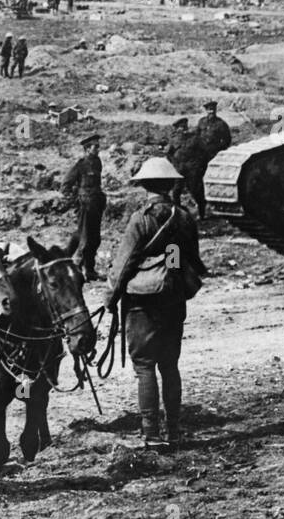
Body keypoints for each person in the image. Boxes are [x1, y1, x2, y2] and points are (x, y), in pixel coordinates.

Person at [106, 157, 207, 450]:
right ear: (169, 184)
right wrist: (169, 271)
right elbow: (189, 258)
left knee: (145, 366)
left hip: (142, 302)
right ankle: (174, 430)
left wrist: (111, 298)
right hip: (173, 298)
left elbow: (125, 264)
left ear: (145, 185)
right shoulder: (183, 216)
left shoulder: (142, 218)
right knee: (169, 365)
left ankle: (150, 433)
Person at [61, 133, 105, 281]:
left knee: (95, 238)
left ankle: (90, 270)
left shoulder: (97, 162)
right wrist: (76, 201)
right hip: (85, 205)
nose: (98, 149)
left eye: (98, 146)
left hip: (96, 204)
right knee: (84, 239)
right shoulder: (80, 165)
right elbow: (65, 186)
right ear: (87, 149)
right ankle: (77, 271)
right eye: (95, 147)